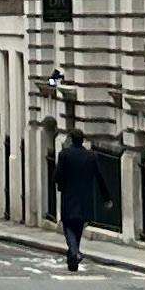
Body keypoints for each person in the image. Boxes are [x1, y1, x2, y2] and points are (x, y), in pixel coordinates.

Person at [51, 118, 110, 275]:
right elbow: (100, 177)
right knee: (78, 228)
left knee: (68, 227)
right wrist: (107, 198)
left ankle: (74, 252)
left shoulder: (65, 154)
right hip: (85, 199)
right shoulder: (91, 156)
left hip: (69, 197)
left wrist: (59, 184)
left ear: (71, 140)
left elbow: (57, 175)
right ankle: (73, 259)